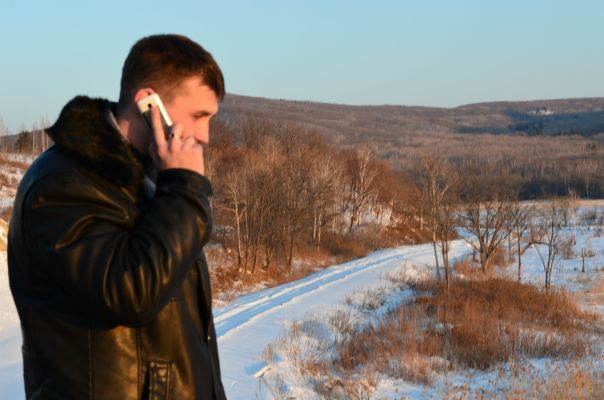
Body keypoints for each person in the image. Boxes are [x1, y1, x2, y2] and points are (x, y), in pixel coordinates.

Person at [8, 34, 227, 399]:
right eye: (197, 116)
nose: (204, 135)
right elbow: (131, 294)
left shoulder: (153, 183)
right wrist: (185, 189)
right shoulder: (62, 187)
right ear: (149, 104)